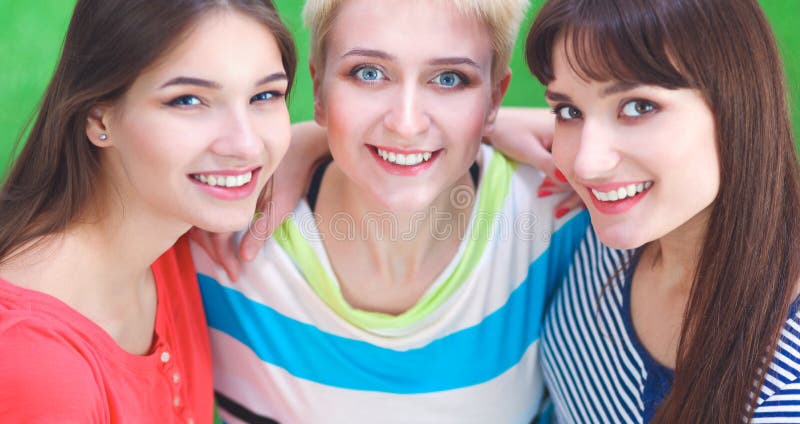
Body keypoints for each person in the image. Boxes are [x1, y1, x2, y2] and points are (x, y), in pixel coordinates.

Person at [191, 0, 589, 422]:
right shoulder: (216, 238)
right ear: (319, 88)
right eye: (368, 73)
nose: (406, 124)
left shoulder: (556, 217)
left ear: (494, 99)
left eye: (450, 79)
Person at [0, 0, 296, 421]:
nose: (247, 145)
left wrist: (311, 148)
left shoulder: (174, 226)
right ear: (99, 117)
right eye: (189, 100)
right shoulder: (39, 367)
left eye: (264, 95)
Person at [526, 0, 800, 422]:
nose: (585, 164)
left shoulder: (780, 397)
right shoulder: (611, 226)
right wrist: (484, 127)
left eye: (638, 107)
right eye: (568, 111)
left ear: (739, 108)